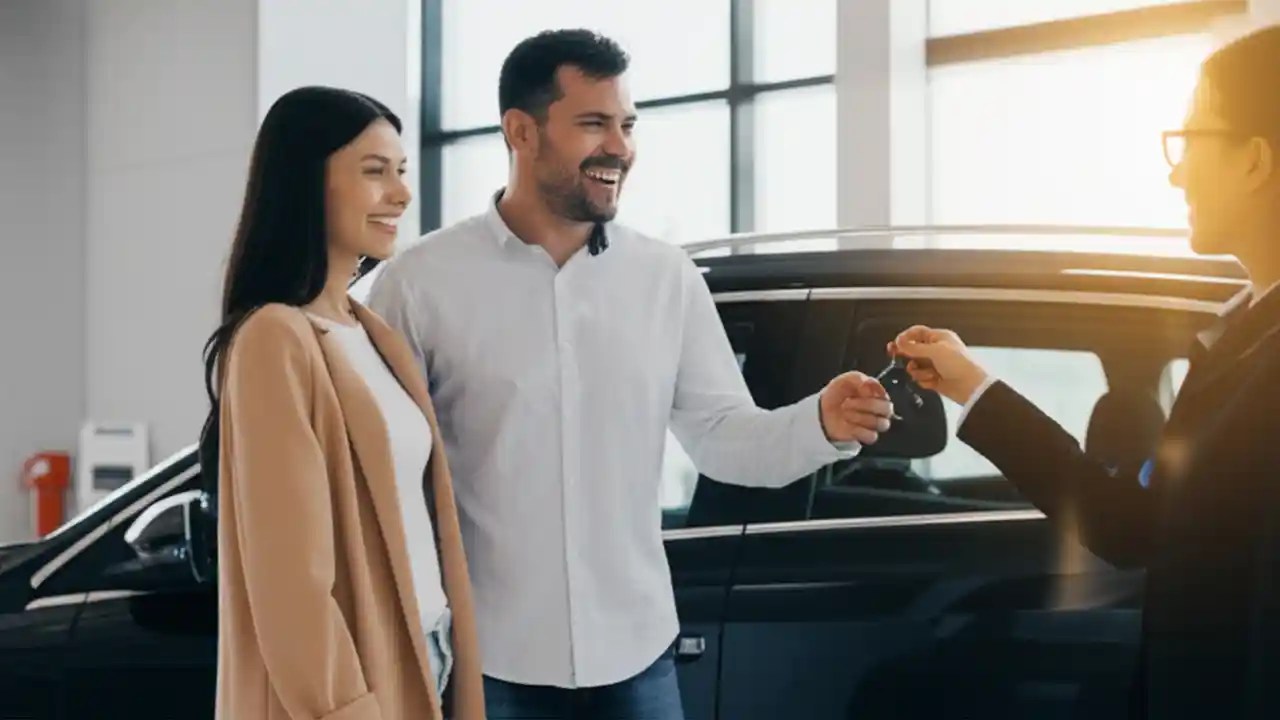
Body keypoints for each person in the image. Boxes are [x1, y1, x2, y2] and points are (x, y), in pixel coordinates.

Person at [368, 29, 894, 719]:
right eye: (593, 123)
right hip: (488, 665)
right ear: (521, 132)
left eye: (627, 124)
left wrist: (818, 425)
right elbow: (387, 481)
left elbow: (721, 437)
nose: (619, 146)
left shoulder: (664, 277)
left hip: (638, 663)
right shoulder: (418, 284)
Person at [889, 25, 1280, 720]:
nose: (1176, 171)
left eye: (1191, 141)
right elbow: (1134, 525)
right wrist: (971, 387)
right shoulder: (1241, 333)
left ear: (1254, 160)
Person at [199, 86, 485, 720]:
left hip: (427, 653)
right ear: (308, 183)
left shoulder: (372, 332)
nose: (402, 195)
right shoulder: (276, 338)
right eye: (374, 172)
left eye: (402, 172)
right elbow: (290, 587)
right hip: (354, 684)